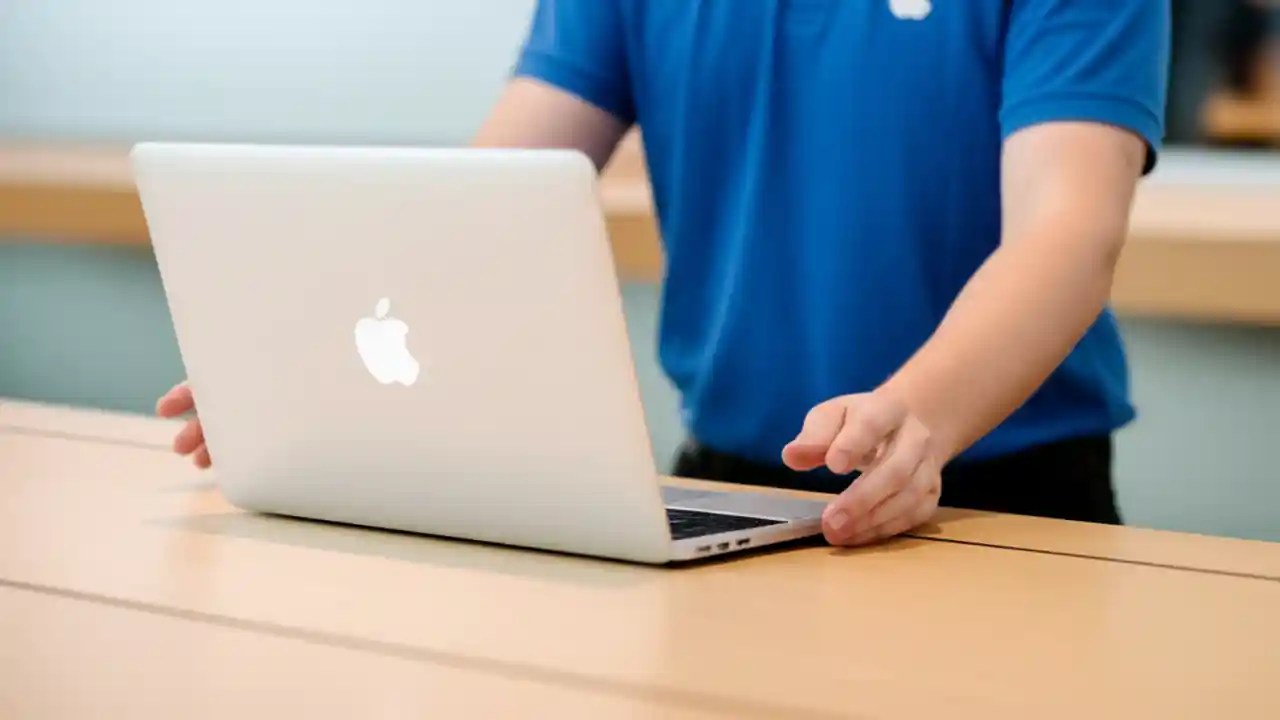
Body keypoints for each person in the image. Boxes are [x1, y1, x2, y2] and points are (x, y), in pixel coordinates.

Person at [159, 0, 1170, 547]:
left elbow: (1065, 228)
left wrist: (919, 416)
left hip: (1004, 498)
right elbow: (476, 207)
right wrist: (301, 362)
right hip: (724, 489)